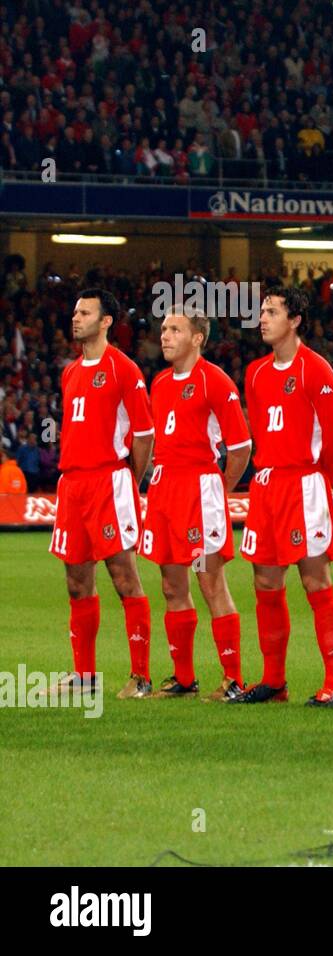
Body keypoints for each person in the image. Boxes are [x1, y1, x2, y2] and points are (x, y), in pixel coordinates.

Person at [236, 286, 333, 705]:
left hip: (304, 485)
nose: (263, 318)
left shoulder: (316, 370)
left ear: (295, 320)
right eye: (262, 311)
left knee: (315, 579)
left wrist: (318, 482)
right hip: (267, 485)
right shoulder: (255, 373)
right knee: (265, 580)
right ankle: (274, 682)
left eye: (272, 312)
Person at [46, 289, 155, 699]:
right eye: (75, 311)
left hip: (109, 482)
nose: (76, 318)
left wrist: (130, 479)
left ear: (106, 321)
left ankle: (141, 677)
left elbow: (144, 434)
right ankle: (84, 677)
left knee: (124, 575)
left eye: (85, 312)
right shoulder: (71, 372)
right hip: (72, 484)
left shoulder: (123, 368)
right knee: (77, 581)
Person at [139, 309, 252, 701]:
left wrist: (218, 488)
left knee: (210, 582)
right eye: (164, 329)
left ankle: (233, 680)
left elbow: (241, 447)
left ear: (197, 338)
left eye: (175, 329)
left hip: (199, 491)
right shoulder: (160, 383)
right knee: (172, 584)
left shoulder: (214, 381)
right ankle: (184, 679)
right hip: (164, 489)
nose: (165, 336)